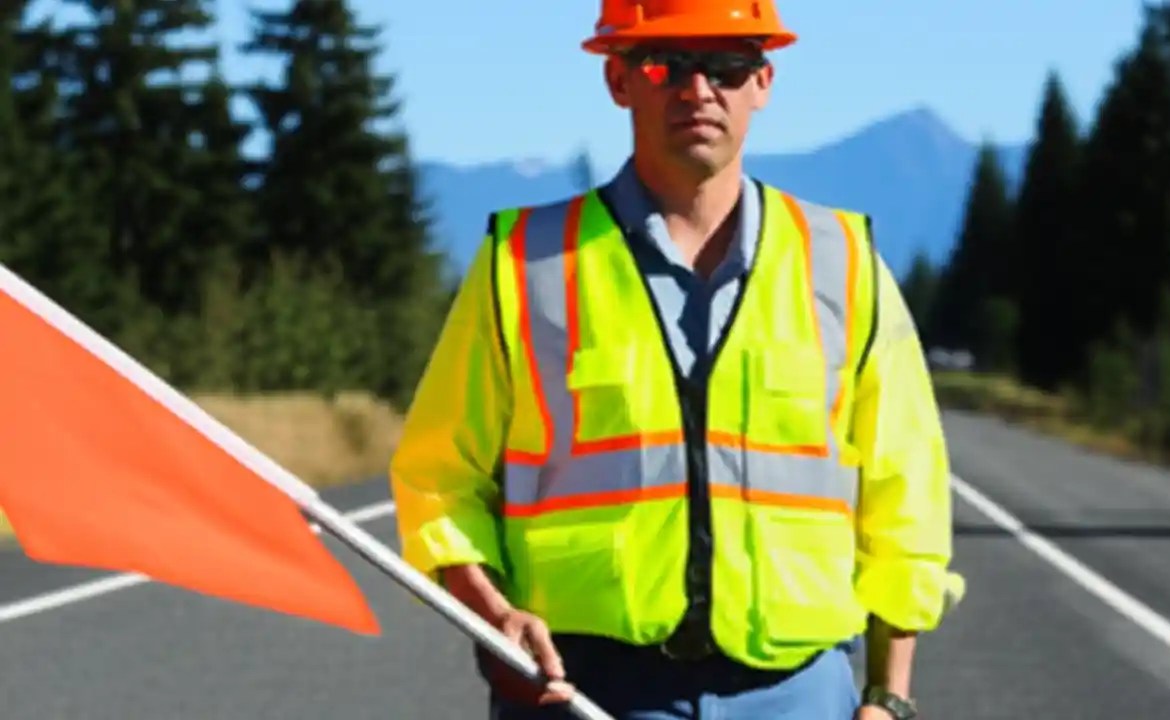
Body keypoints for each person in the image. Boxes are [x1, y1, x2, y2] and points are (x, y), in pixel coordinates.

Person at [389, 1, 964, 718]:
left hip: (800, 693)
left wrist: (888, 695)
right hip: (580, 684)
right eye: (667, 64)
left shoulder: (843, 262)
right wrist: (491, 615)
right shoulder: (523, 262)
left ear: (763, 80)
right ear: (619, 79)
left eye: (725, 66)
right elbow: (440, 475)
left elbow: (904, 491)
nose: (698, 91)